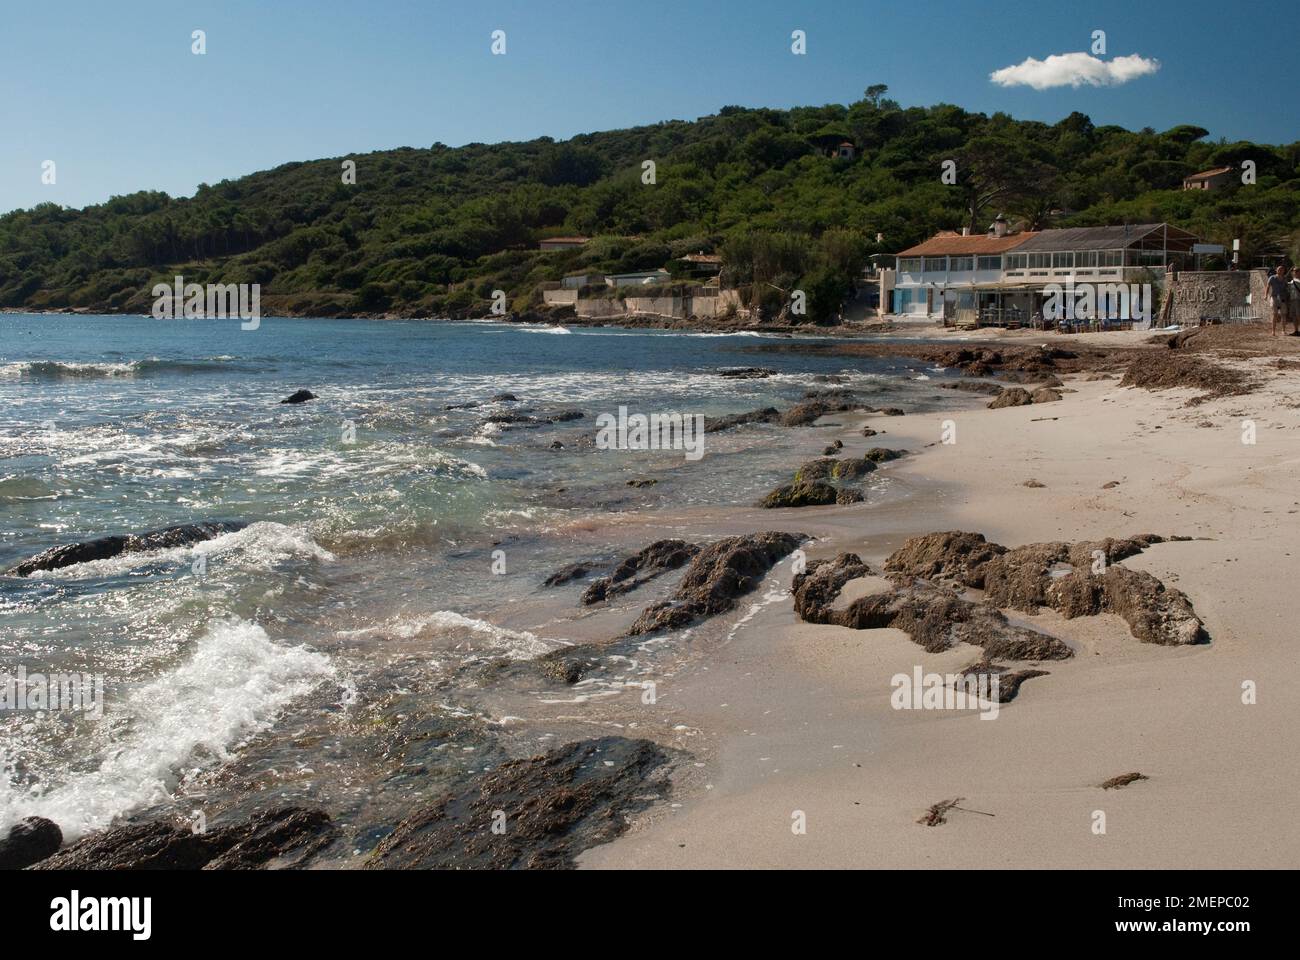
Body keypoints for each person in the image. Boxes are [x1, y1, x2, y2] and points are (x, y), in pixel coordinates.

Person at [1266, 265, 1290, 337]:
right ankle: (1273, 331)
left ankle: (1283, 330)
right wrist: (1265, 295)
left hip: (1282, 298)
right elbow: (1268, 286)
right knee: (1275, 314)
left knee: (1283, 314)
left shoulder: (1285, 279)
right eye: (1279, 269)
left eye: (1282, 269)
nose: (1280, 271)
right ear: (1276, 270)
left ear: (1283, 271)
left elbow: (1287, 288)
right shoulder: (1272, 278)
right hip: (1274, 297)